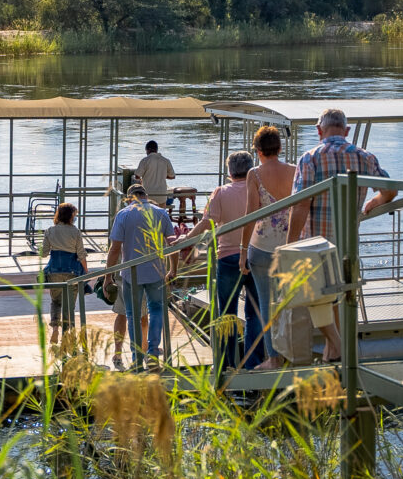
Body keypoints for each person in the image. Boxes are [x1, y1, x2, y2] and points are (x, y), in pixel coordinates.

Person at [288, 108, 397, 361]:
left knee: (318, 299)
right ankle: (333, 354)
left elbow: (301, 204)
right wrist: (374, 202)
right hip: (348, 243)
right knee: (341, 296)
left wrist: (290, 244)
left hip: (316, 243)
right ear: (346, 131)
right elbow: (390, 190)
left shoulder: (310, 158)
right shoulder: (364, 157)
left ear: (319, 130)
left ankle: (339, 348)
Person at [188, 151, 257, 372]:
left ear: (229, 171)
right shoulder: (256, 190)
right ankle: (253, 363)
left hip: (227, 257)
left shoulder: (220, 192)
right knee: (254, 312)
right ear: (251, 168)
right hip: (254, 256)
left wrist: (186, 239)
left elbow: (207, 224)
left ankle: (226, 364)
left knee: (226, 313)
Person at [239, 125, 293, 370]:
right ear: (280, 148)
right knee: (290, 303)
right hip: (291, 246)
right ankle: (294, 352)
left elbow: (251, 213)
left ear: (257, 150)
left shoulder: (254, 174)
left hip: (261, 248)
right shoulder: (295, 171)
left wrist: (242, 251)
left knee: (266, 303)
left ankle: (273, 358)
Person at [106, 183, 175, 367]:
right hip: (156, 271)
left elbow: (115, 249)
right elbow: (172, 243)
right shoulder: (161, 213)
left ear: (129, 198)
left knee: (132, 314)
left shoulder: (124, 214)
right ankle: (152, 353)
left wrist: (107, 276)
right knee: (157, 310)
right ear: (146, 195)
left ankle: (137, 358)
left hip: (131, 273)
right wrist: (173, 269)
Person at [38, 202, 88, 346]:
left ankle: (55, 328)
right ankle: (67, 337)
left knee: (56, 302)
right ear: (71, 217)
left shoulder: (50, 231)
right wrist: (86, 271)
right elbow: (81, 255)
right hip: (72, 272)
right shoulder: (75, 232)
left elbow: (44, 253)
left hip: (54, 271)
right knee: (69, 306)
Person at [134, 140, 175, 207]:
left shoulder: (145, 160)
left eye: (146, 151)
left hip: (148, 195)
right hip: (162, 195)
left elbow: (137, 176)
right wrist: (163, 175)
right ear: (156, 149)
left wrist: (144, 177)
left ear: (148, 149)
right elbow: (172, 176)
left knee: (148, 216)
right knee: (160, 215)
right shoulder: (165, 160)